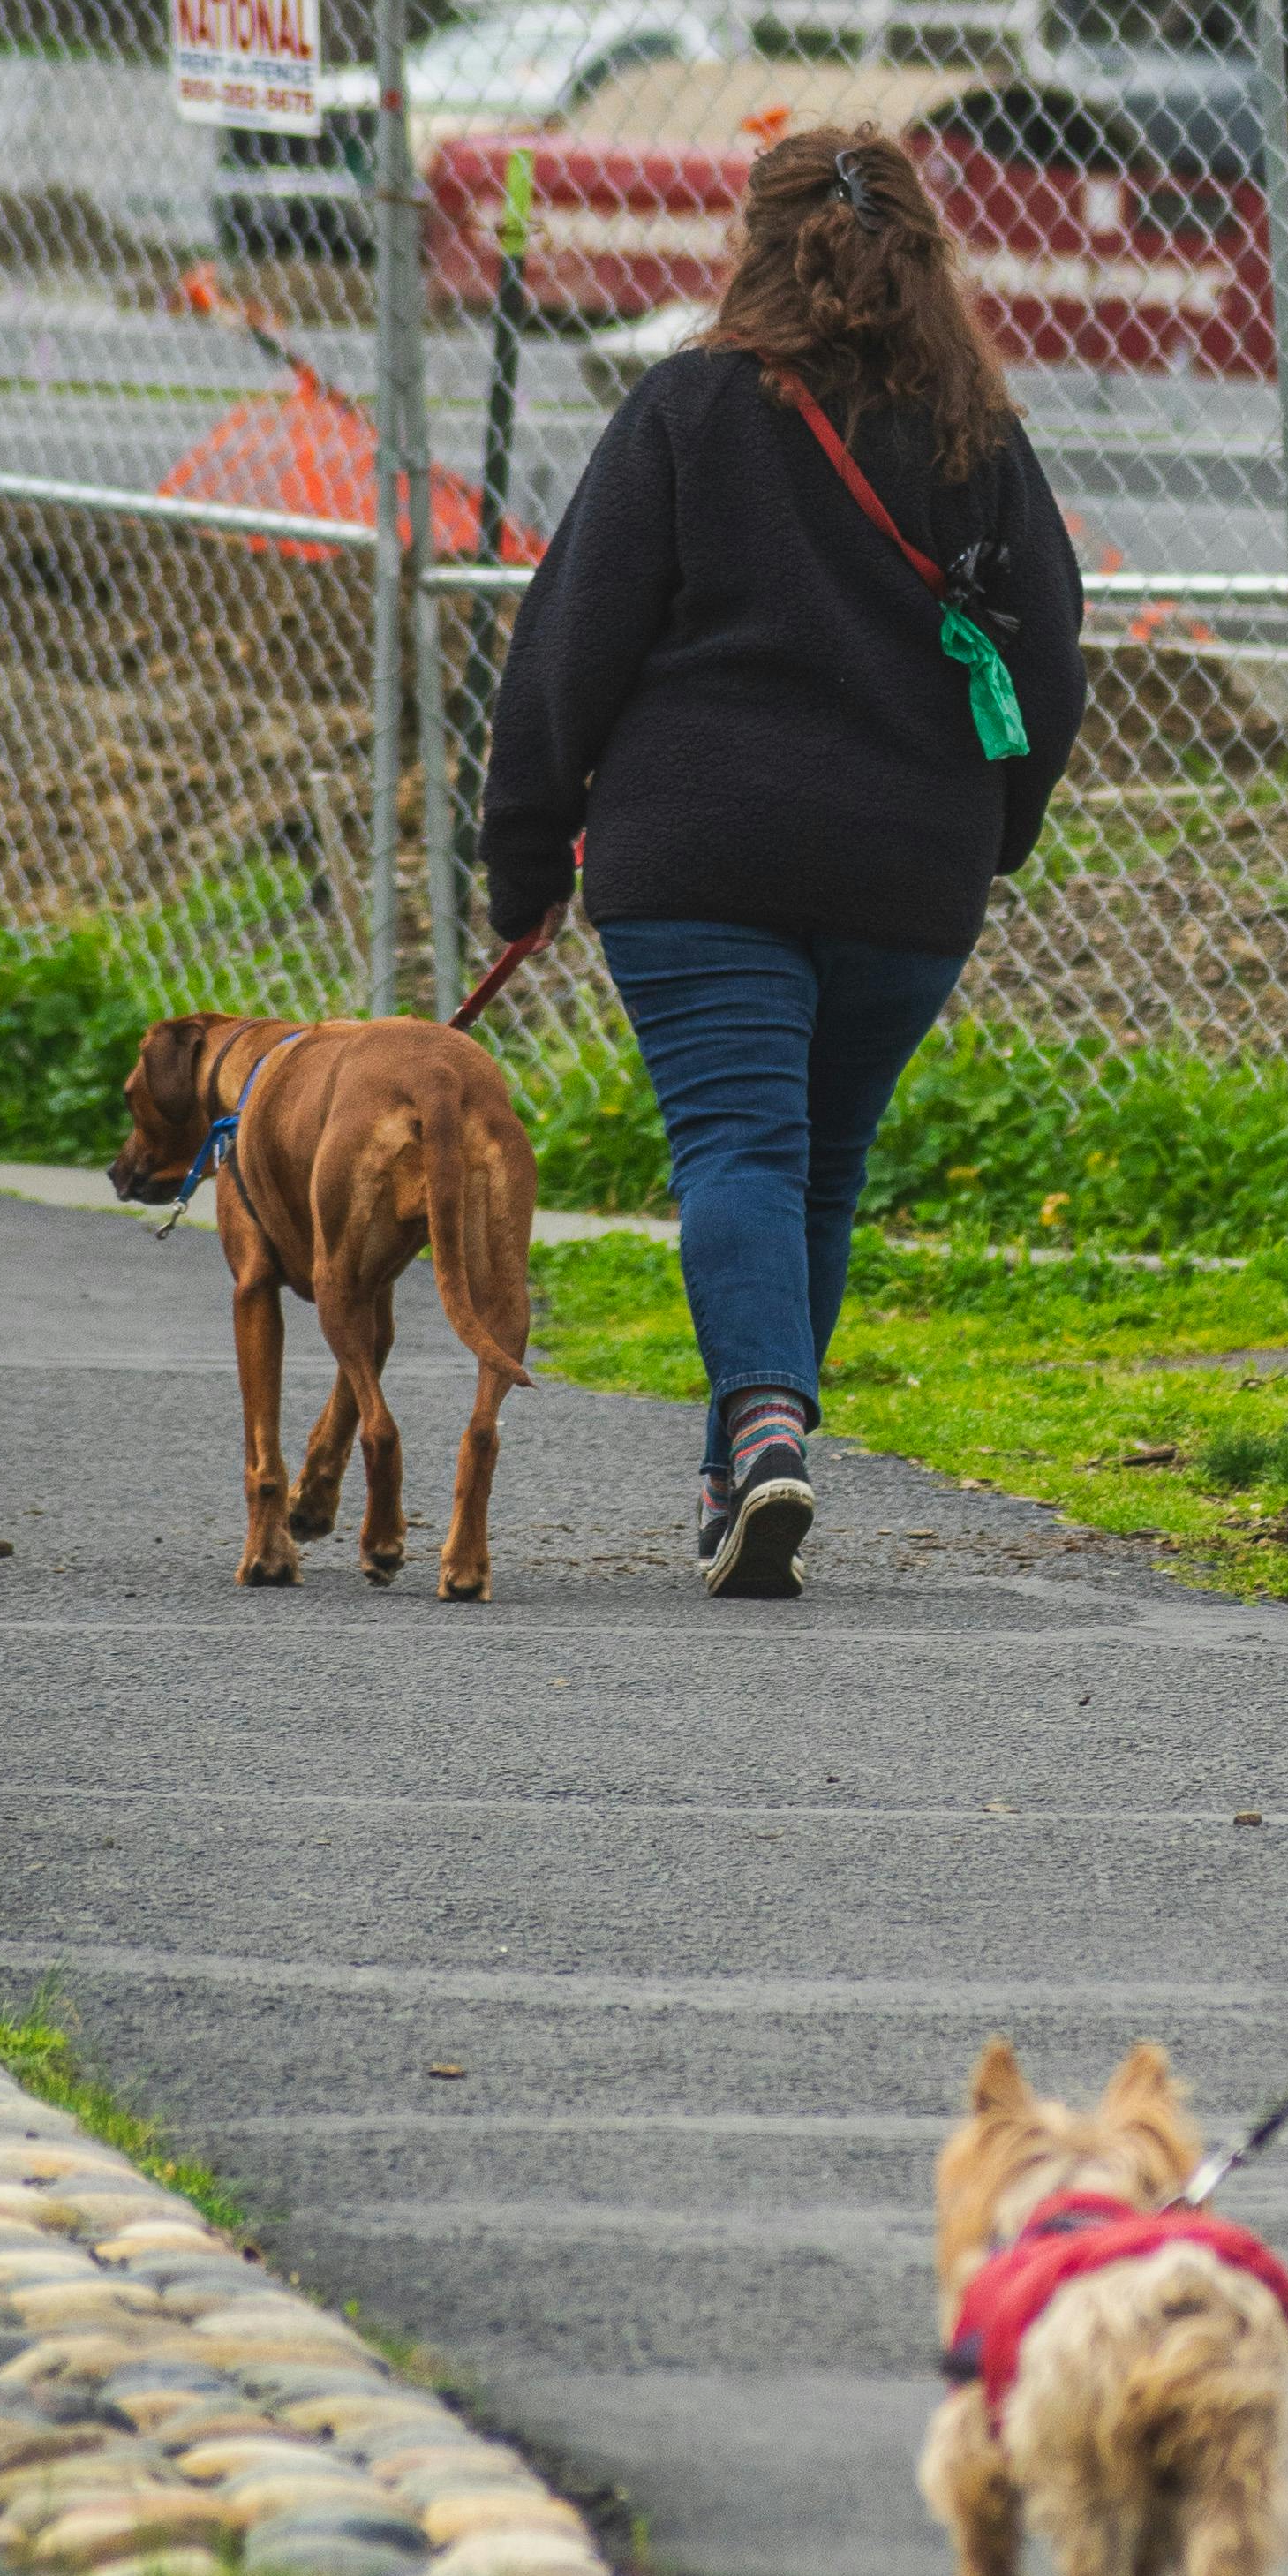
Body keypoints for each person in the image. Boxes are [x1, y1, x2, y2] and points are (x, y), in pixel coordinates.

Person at [478, 124, 1085, 1594]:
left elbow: (570, 647)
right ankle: (741, 1475)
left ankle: (760, 1430)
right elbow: (1051, 668)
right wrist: (995, 834)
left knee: (738, 1149)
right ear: (928, 259)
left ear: (756, 246)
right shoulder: (981, 441)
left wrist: (524, 858)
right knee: (817, 1169)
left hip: (704, 853)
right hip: (910, 872)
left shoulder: (689, 407)